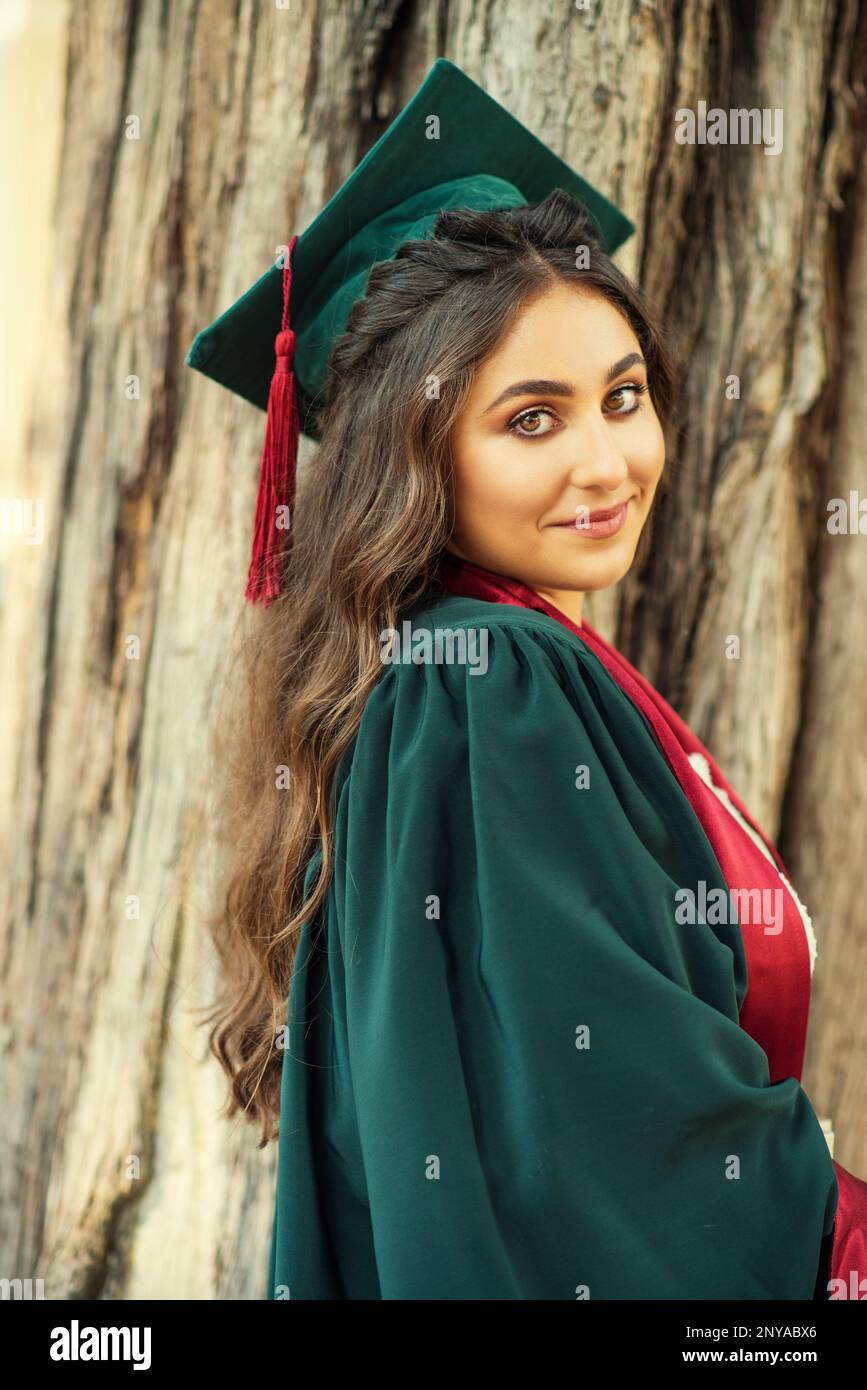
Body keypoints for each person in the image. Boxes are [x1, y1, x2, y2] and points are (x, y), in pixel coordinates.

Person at [186, 58, 867, 1299]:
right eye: (533, 419)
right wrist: (823, 1208)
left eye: (625, 397)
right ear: (413, 456)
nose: (610, 463)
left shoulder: (414, 674)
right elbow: (592, 1132)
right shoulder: (487, 676)